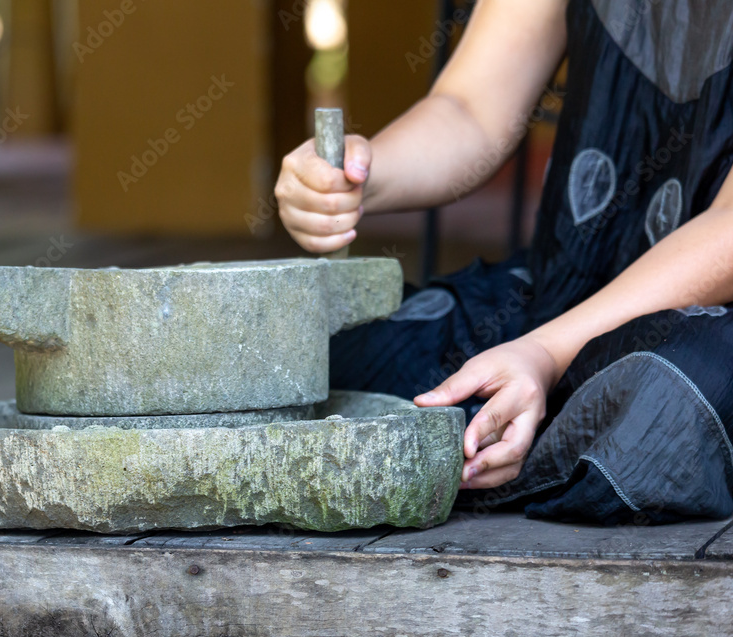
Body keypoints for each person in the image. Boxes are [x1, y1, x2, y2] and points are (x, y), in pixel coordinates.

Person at [275, 0, 733, 525]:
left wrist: (542, 353)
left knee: (661, 407)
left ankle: (489, 452)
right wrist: (353, 178)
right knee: (335, 372)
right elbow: (469, 109)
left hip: (701, 322)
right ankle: (507, 450)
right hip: (565, 288)